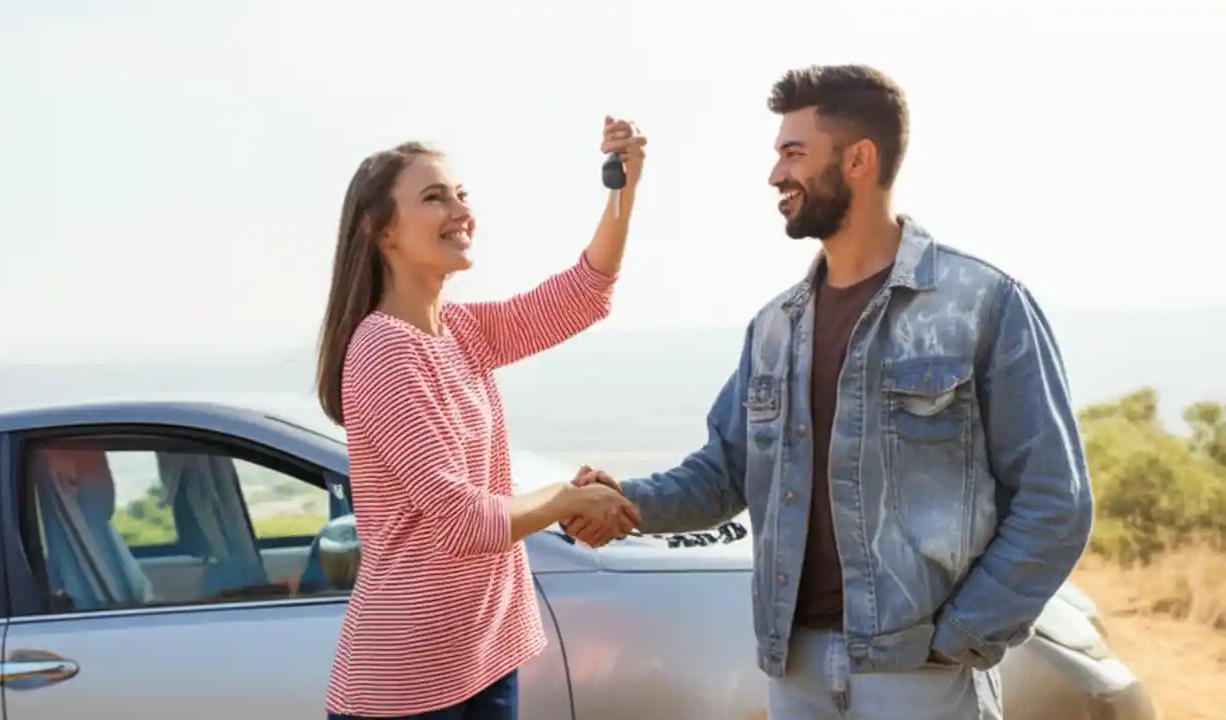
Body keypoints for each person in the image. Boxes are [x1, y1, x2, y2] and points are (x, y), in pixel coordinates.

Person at [569, 65, 1094, 719]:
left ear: (859, 159)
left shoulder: (982, 306)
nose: (775, 176)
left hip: (921, 679)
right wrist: (626, 503)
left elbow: (1056, 502)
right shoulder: (774, 328)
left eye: (794, 153)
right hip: (796, 677)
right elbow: (725, 473)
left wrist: (962, 635)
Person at [316, 117, 647, 720]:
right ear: (381, 228)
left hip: (482, 655)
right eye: (434, 197)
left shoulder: (461, 332)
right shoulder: (384, 349)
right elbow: (464, 521)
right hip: (405, 686)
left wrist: (624, 187)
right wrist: (566, 500)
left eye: (462, 195)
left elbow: (584, 294)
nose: (460, 210)